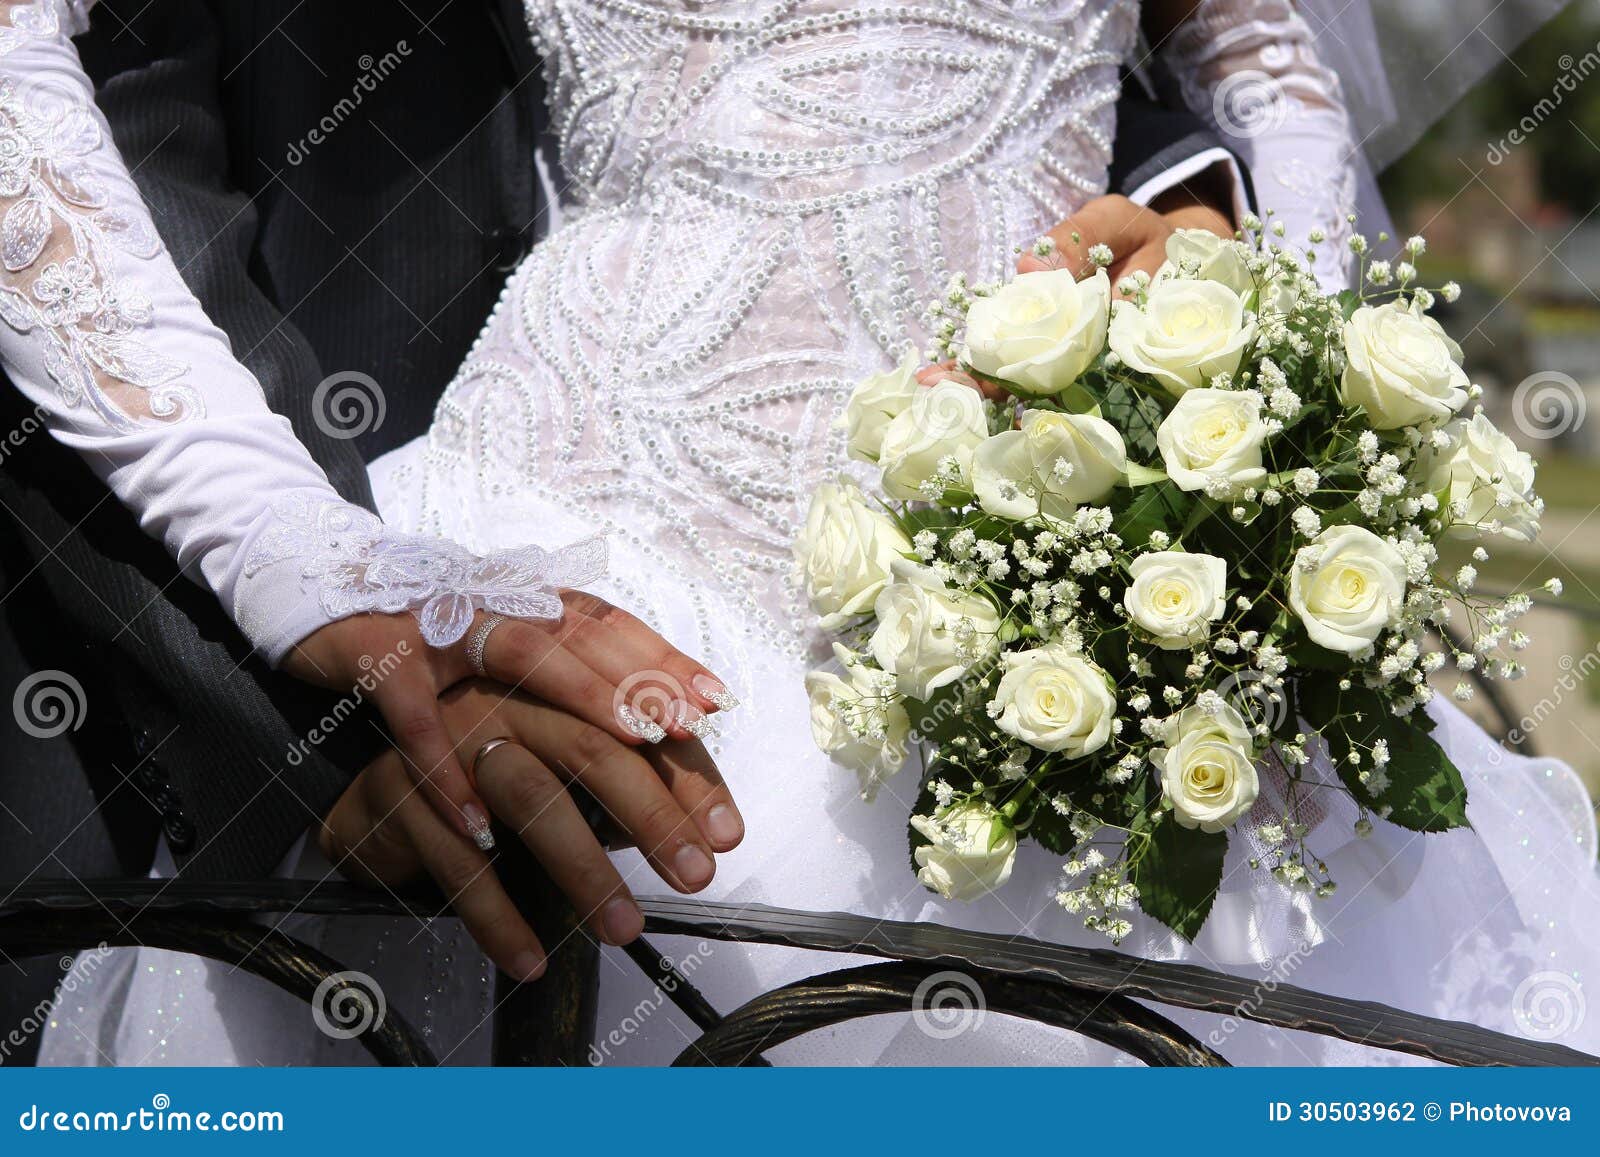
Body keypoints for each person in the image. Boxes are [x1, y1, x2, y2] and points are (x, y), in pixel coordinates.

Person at [0, 0, 1258, 1063]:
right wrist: (314, 579)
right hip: (580, 560)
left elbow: (1196, 52)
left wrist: (1205, 224)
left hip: (1090, 565)